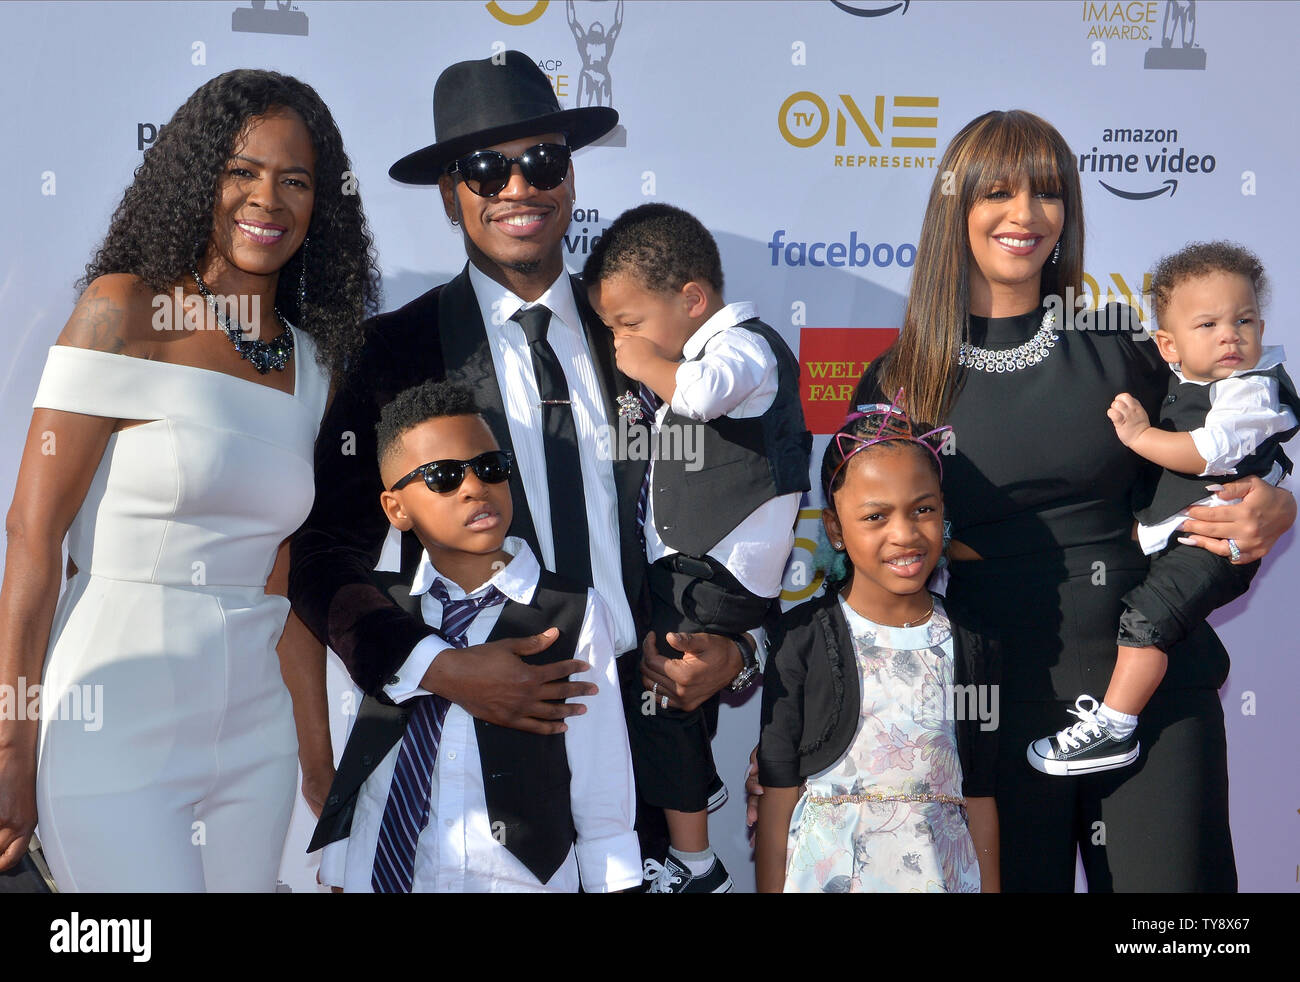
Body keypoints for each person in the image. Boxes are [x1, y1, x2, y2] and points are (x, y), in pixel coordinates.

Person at [288, 51, 756, 879]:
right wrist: (438, 667)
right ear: (448, 194)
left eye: (542, 160)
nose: (518, 187)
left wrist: (739, 645)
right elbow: (322, 554)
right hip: (474, 744)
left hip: (645, 726)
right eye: (485, 168)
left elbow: (748, 499)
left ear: (570, 179)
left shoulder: (648, 345)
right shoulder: (395, 350)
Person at [847, 110, 1296, 891]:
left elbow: (1235, 443)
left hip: (1156, 694)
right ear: (956, 207)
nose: (1025, 215)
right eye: (998, 193)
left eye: (1048, 192)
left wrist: (1278, 502)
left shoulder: (1126, 345)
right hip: (992, 704)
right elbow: (860, 561)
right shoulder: (899, 382)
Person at [0, 69, 380, 890]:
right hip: (112, 724)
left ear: (323, 204)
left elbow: (279, 576)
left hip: (256, 741)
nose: (266, 200)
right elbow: (33, 534)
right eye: (241, 171)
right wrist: (10, 739)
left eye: (295, 180)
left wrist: (318, 759)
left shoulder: (314, 367)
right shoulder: (122, 311)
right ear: (197, 177)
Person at [310, 380, 639, 892]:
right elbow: (364, 747)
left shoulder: (571, 611)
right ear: (396, 509)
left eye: (489, 467)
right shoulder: (381, 612)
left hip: (517, 878)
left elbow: (601, 773)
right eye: (442, 477)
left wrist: (612, 881)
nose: (473, 487)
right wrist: (339, 866)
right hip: (388, 873)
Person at [584, 202, 810, 893]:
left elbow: (705, 393)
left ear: (692, 299)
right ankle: (692, 840)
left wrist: (648, 361)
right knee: (662, 703)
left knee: (664, 701)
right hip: (688, 566)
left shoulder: (742, 344)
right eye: (612, 329)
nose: (619, 342)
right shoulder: (695, 355)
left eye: (629, 322)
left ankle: (695, 859)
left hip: (715, 574)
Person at [1029, 241, 1297, 775]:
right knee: (1145, 615)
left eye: (1244, 320)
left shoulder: (1250, 393)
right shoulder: (1183, 380)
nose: (1229, 335)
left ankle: (1114, 726)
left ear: (1262, 331)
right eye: (1208, 325)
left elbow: (1203, 454)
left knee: (1147, 620)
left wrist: (1139, 435)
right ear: (1168, 346)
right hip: (1185, 539)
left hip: (1215, 546)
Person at [755, 401, 999, 892]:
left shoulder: (975, 642)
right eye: (875, 516)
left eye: (923, 509)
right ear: (834, 530)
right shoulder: (799, 638)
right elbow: (777, 800)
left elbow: (980, 794)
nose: (905, 534)